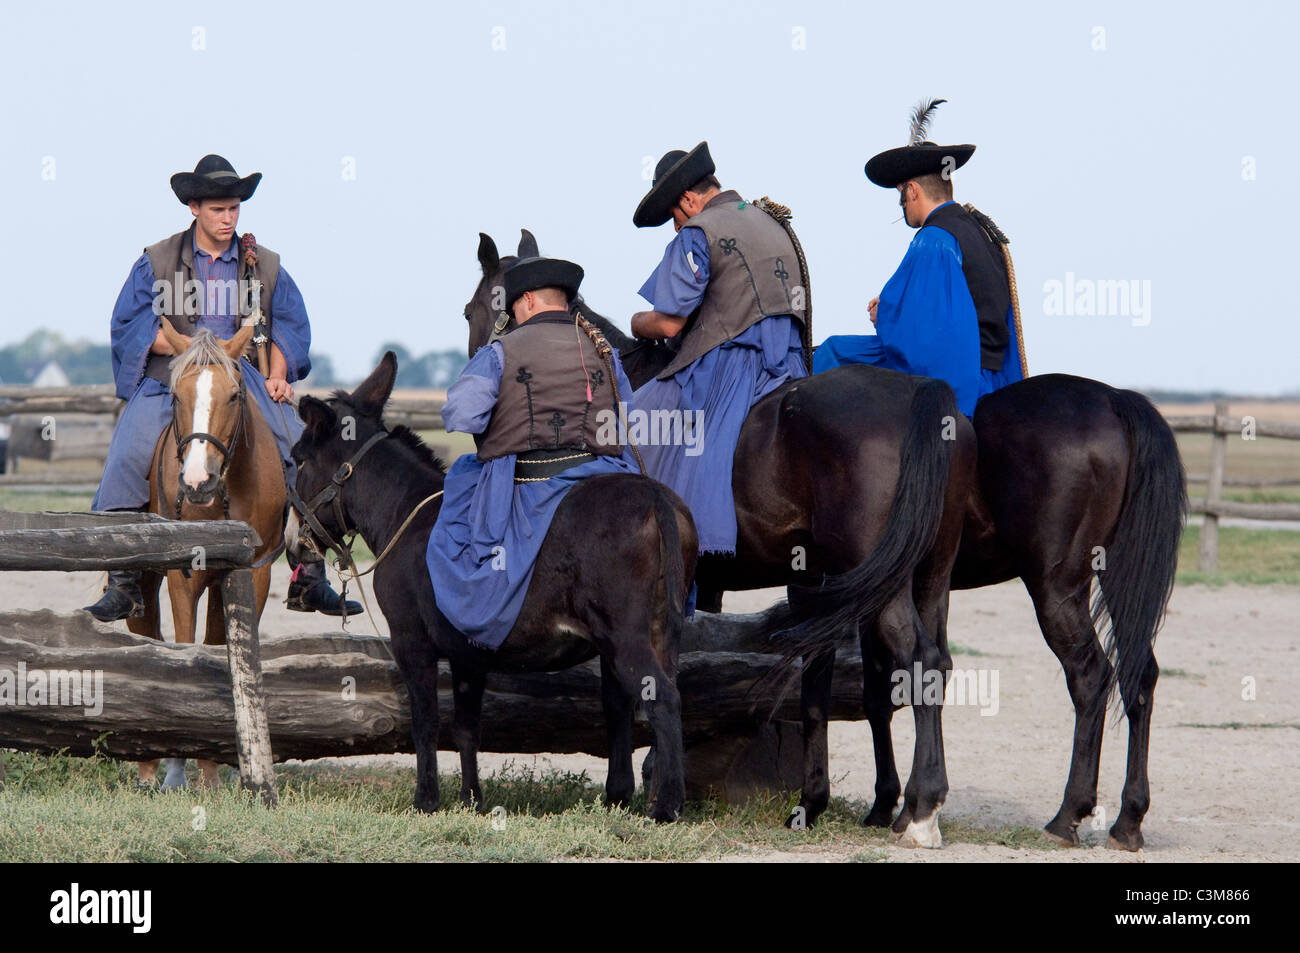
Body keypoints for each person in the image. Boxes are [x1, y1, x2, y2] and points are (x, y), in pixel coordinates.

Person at [83, 154, 359, 621]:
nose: (228, 218)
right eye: (217, 210)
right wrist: (179, 345)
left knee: (300, 449)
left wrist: (276, 373)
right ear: (194, 207)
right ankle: (125, 580)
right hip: (171, 375)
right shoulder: (157, 260)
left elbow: (288, 325)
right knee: (128, 455)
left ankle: (308, 572)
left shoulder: (265, 265)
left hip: (241, 376)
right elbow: (128, 323)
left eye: (234, 209)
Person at [426, 256, 646, 650]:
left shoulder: (500, 351)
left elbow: (460, 415)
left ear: (526, 300)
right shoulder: (605, 350)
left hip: (530, 483)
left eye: (512, 308)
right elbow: (628, 418)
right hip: (601, 473)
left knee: (461, 481)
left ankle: (470, 620)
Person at [630, 141, 807, 555]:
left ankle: (665, 550)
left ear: (689, 200)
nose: (675, 227)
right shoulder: (772, 220)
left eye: (673, 216)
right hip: (791, 362)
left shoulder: (698, 231)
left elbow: (670, 321)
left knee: (628, 431)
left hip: (730, 364)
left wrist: (637, 324)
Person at [812, 99, 1025, 417]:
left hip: (962, 375)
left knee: (832, 352)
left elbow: (930, 331)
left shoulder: (935, 240)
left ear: (912, 190)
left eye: (900, 195)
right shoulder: (980, 231)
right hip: (994, 372)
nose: (901, 206)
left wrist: (884, 314)